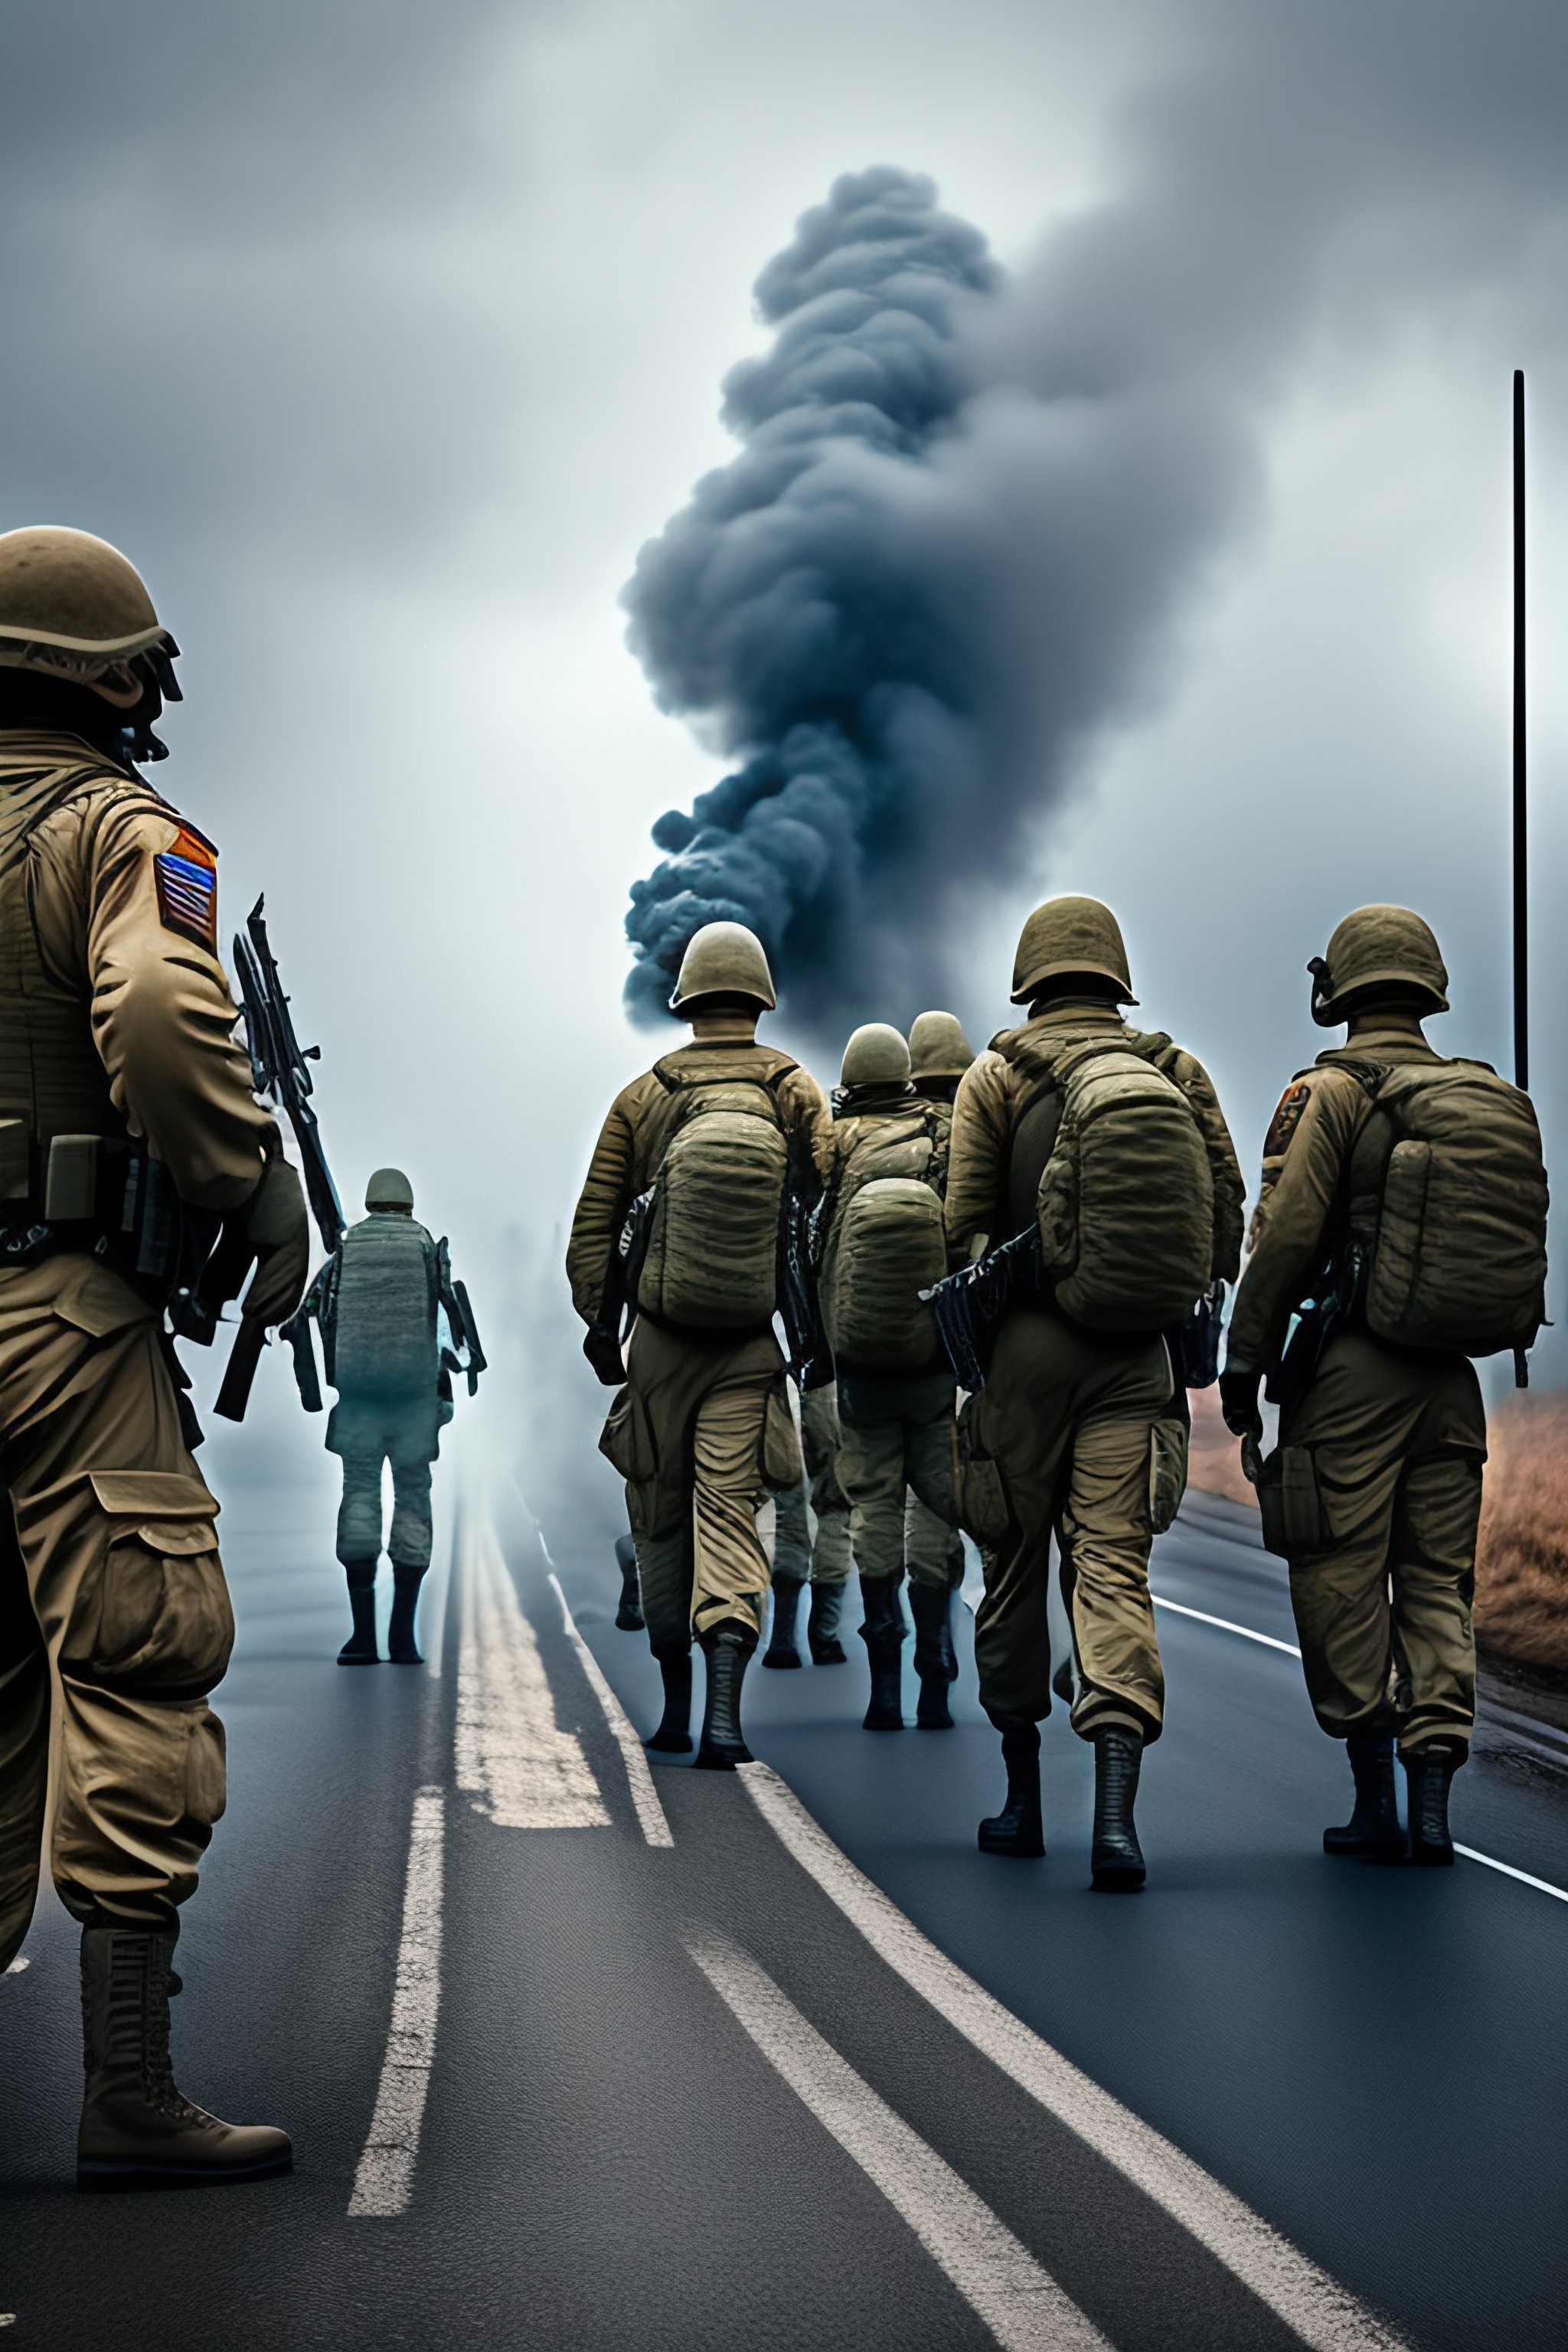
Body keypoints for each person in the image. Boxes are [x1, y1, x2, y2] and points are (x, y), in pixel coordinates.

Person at [0, 526, 309, 2183]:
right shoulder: (135, 835)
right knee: (131, 1657)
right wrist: (248, 1188)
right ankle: (128, 2091)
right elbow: (161, 1013)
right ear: (117, 674)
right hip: (58, 1319)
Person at [1220, 907, 1547, 1864]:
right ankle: (1437, 1802)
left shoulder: (1328, 1094)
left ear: (1341, 990)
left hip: (1348, 1380)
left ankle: (1374, 1805)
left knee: (1339, 1578)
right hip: (1451, 1387)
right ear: (1426, 987)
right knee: (1440, 1588)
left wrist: (1243, 1370)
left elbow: (1281, 1243)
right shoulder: (1477, 1095)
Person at [945, 896, 1243, 1885]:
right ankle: (1117, 1821)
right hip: (1136, 1363)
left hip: (1025, 1364)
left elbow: (962, 1228)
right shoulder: (1175, 1071)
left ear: (1030, 976)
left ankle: (1022, 1801)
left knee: (1014, 1572)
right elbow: (1227, 1225)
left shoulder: (994, 1074)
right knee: (1112, 1572)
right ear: (1117, 975)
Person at [566, 922, 830, 1768]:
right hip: (751, 1349)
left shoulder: (643, 1097)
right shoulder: (795, 1093)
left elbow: (592, 1233)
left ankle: (676, 1712)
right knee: (730, 1516)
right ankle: (725, 1718)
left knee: (659, 1520)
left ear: (686, 999)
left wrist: (602, 1330)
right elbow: (826, 1217)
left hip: (659, 1348)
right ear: (757, 996)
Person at [815, 1023, 962, 1729]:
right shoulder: (944, 1134)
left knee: (873, 1508)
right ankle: (936, 1673)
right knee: (936, 1508)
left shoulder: (836, 1142)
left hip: (862, 1364)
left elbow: (812, 1239)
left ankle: (883, 1690)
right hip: (936, 1363)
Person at [289, 1168, 473, 1665]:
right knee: (413, 1501)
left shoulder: (347, 1249)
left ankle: (362, 1637)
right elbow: (444, 1320)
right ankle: (402, 1638)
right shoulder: (423, 1243)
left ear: (371, 1201)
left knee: (359, 1502)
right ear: (408, 1202)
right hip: (414, 1405)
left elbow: (316, 1316)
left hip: (359, 1402)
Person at [760, 1387, 854, 1668]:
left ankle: (786, 1638)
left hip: (775, 1378)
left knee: (792, 1508)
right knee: (832, 1509)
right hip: (820, 1380)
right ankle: (823, 1636)